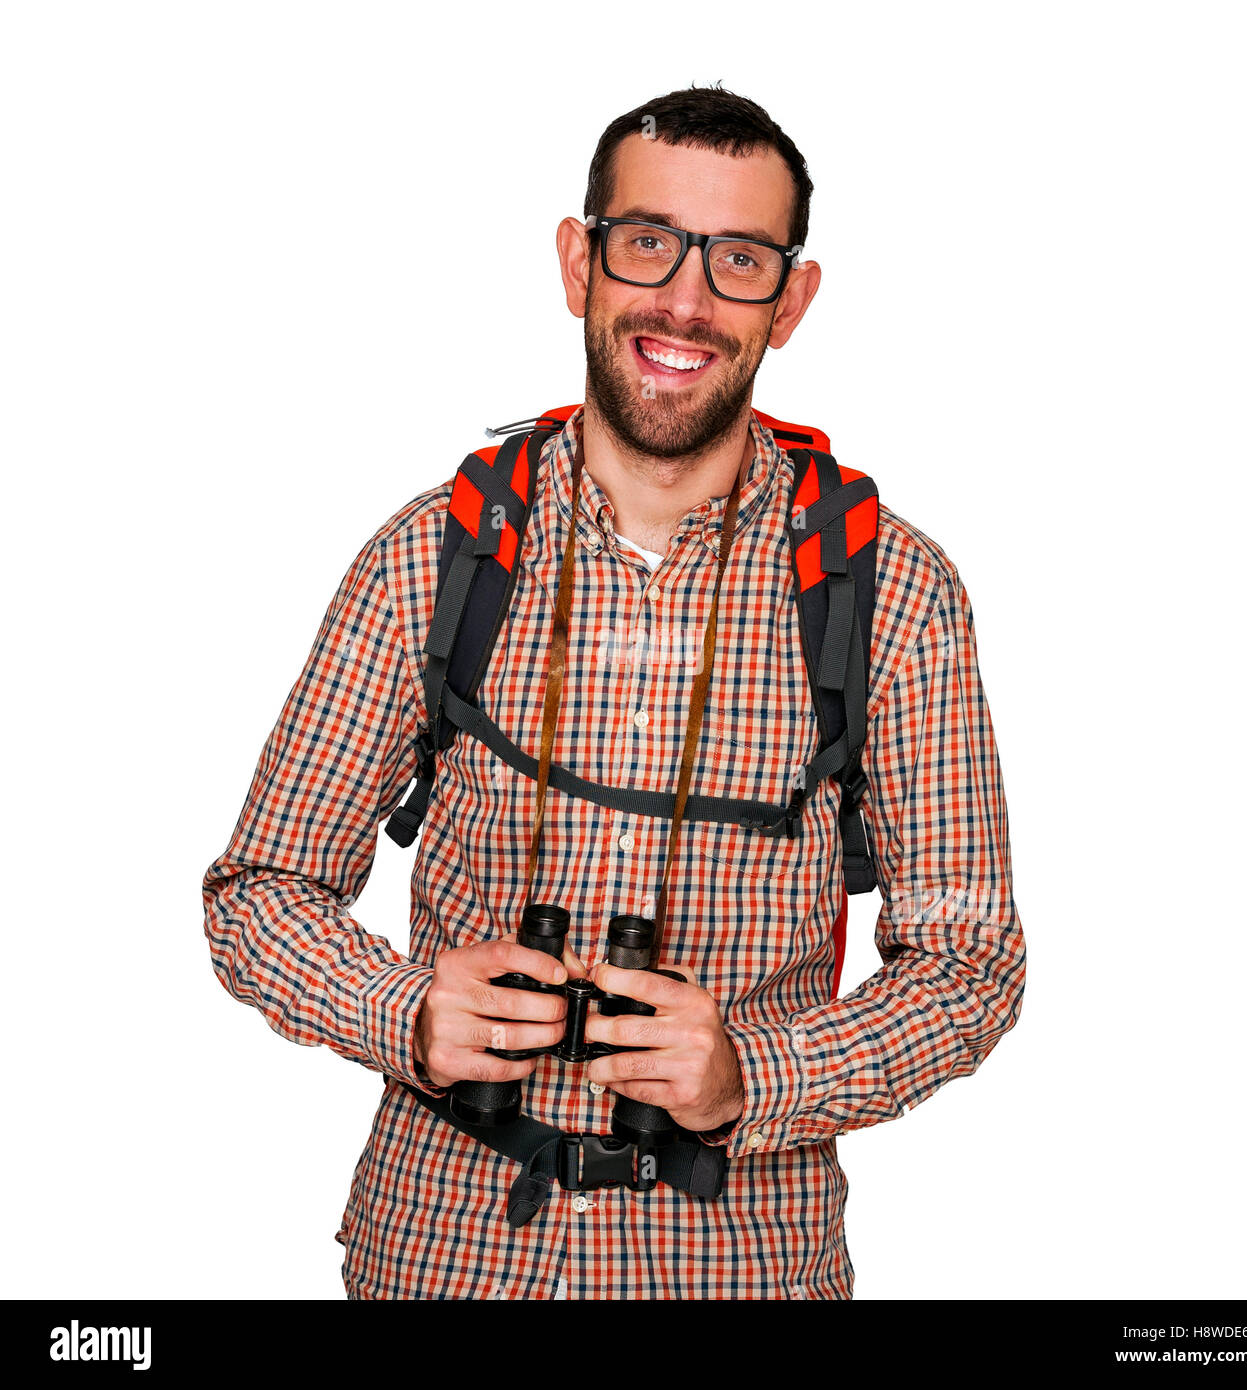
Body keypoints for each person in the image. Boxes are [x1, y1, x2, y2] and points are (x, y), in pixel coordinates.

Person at [202, 84, 1027, 1301]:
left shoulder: (891, 589)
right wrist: (408, 1014)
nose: (685, 300)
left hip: (743, 1266)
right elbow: (257, 894)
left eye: (738, 258)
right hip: (447, 1254)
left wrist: (756, 1074)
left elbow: (970, 961)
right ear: (577, 262)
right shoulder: (436, 556)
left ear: (790, 302)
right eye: (648, 242)